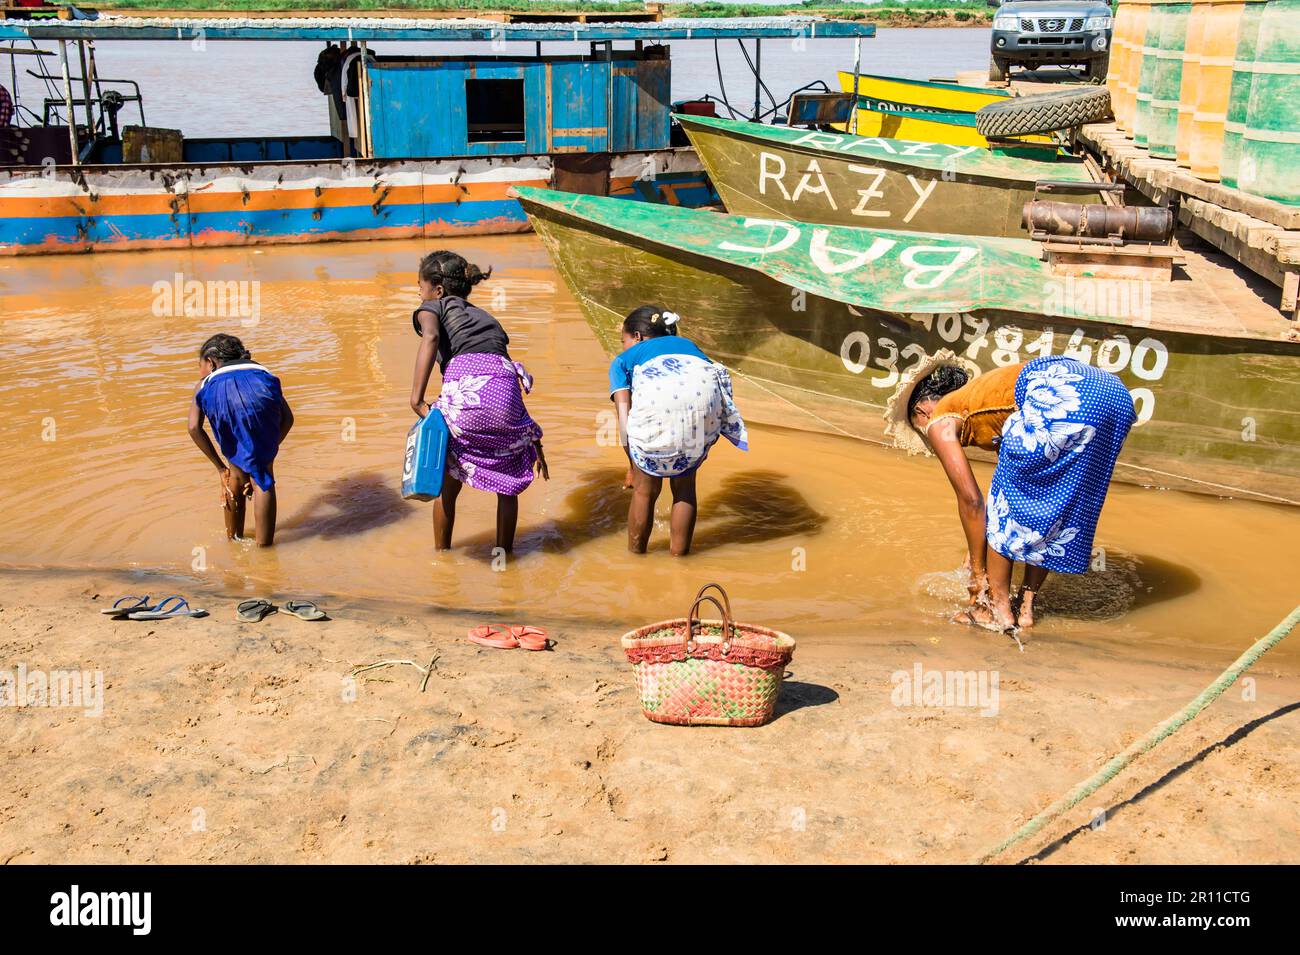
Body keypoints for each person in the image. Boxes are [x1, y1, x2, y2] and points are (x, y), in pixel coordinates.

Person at [885, 350, 1135, 631]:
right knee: (1051, 505)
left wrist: (977, 578)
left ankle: (991, 610)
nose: (927, 436)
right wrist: (979, 544)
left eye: (920, 428)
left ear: (921, 410)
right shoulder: (987, 398)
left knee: (1005, 506)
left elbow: (972, 502)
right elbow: (1020, 488)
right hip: (1115, 397)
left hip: (1065, 393)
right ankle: (1026, 608)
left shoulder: (939, 418)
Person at [409, 250, 547, 554]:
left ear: (438, 289)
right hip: (506, 395)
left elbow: (430, 338)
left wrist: (417, 400)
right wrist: (530, 437)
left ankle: (442, 559)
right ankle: (504, 557)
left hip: (469, 389)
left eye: (420, 285)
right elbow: (503, 372)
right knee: (507, 484)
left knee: (448, 482)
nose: (419, 292)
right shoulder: (487, 317)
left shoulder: (432, 307)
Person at [610, 305, 748, 556]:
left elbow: (622, 416)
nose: (623, 346)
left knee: (645, 489)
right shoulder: (690, 346)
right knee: (684, 488)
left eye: (624, 340)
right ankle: (680, 561)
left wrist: (632, 464)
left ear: (637, 337)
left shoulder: (623, 360)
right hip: (704, 411)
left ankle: (636, 562)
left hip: (661, 410)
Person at [187, 334, 294, 547]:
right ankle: (265, 551)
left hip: (220, 397)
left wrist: (219, 468)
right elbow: (288, 419)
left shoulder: (205, 383)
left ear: (211, 362)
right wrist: (264, 453)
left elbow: (193, 428)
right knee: (262, 476)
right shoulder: (262, 372)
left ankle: (234, 543)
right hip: (260, 395)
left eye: (200, 366)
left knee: (233, 474)